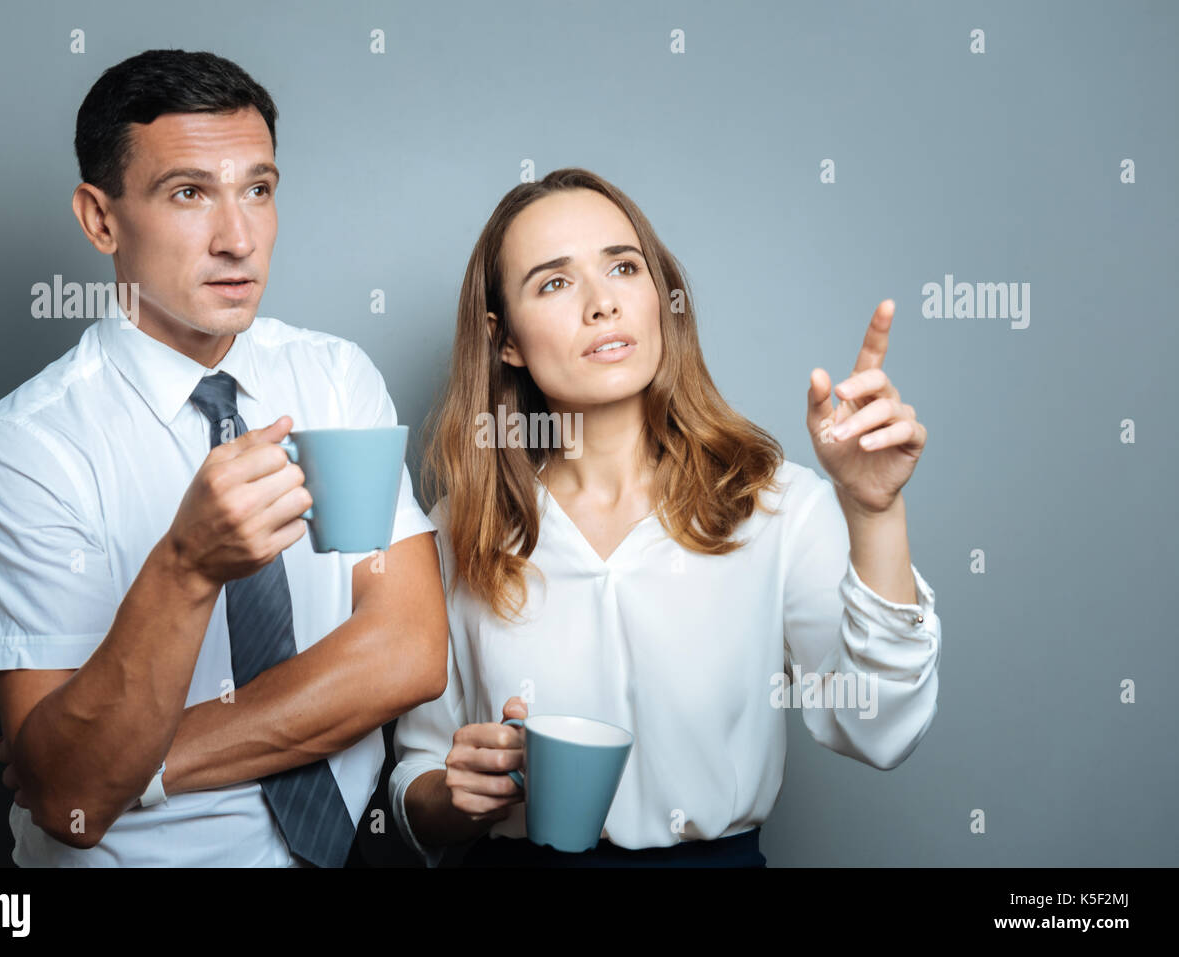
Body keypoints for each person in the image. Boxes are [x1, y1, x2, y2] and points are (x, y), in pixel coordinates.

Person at [0, 49, 448, 866]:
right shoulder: (27, 449)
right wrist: (184, 567)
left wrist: (145, 763)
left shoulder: (335, 376)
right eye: (189, 194)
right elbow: (74, 801)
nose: (239, 237)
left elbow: (408, 651)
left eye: (258, 188)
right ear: (100, 219)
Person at [388, 167, 940, 867]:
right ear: (505, 341)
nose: (602, 304)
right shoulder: (456, 531)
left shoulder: (775, 506)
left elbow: (881, 729)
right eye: (554, 282)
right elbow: (415, 783)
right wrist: (456, 792)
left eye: (623, 266)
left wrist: (875, 510)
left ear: (661, 298)